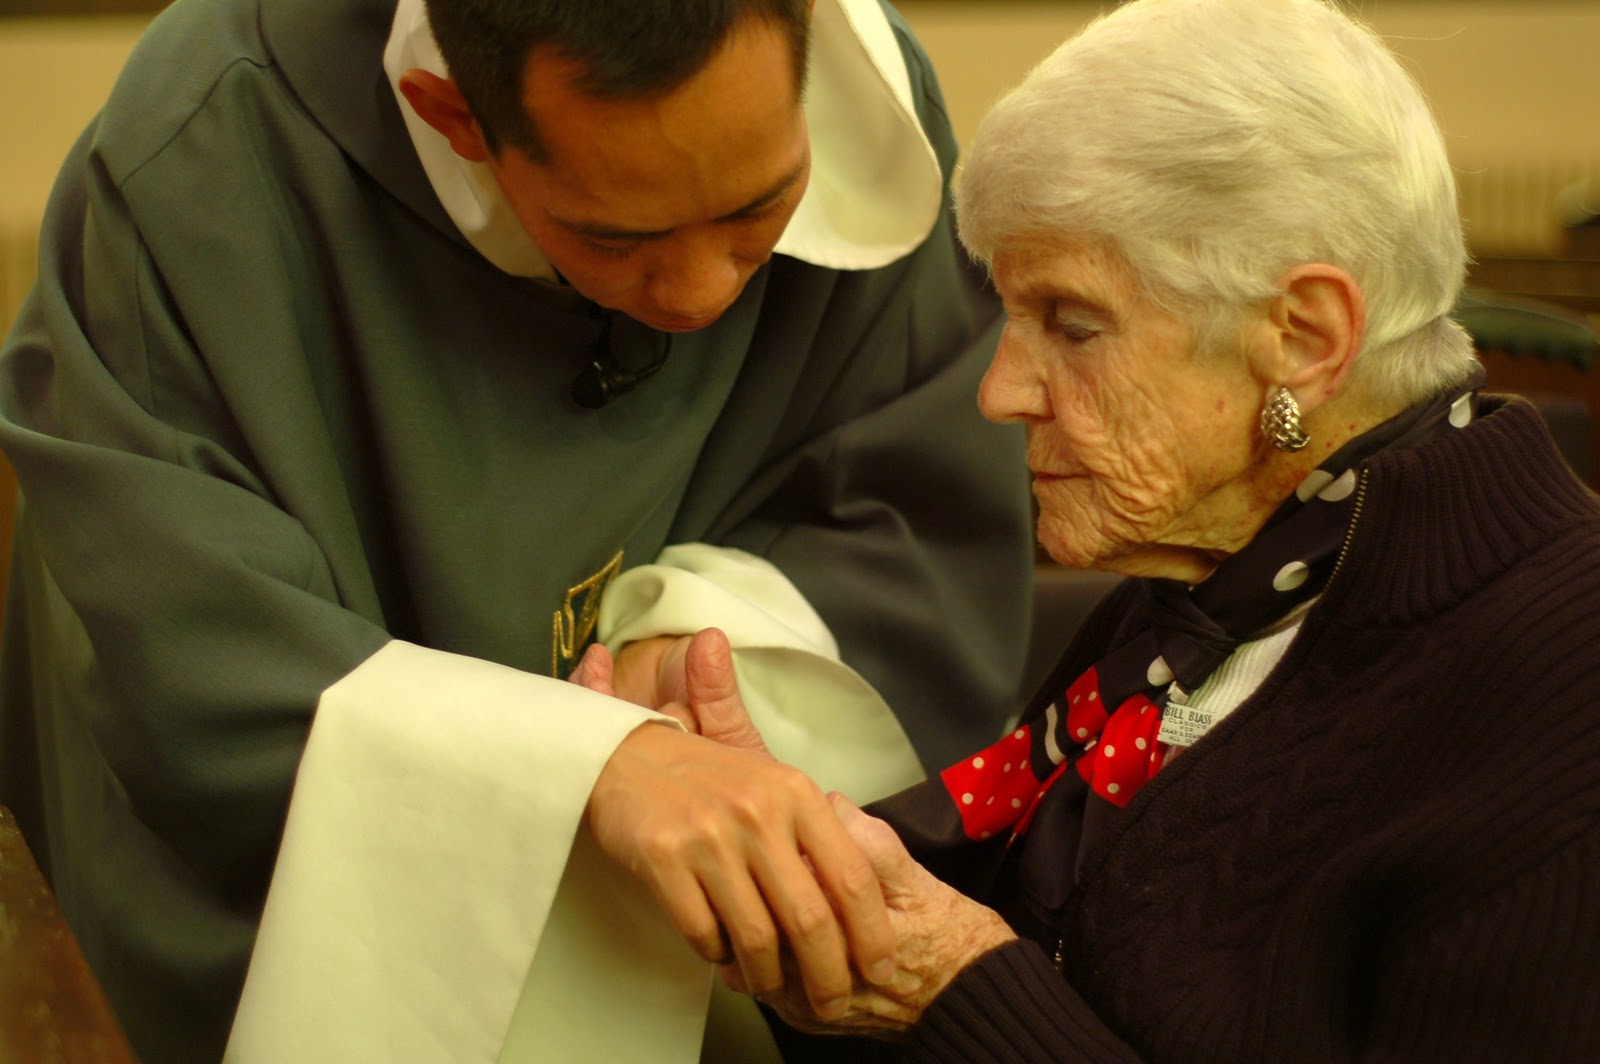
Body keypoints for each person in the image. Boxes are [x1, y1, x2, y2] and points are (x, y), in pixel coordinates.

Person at [0, 0, 1034, 1060]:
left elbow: (913, 501)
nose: (698, 296)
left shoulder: (855, 82)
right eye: (615, 237)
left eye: (761, 207)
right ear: (448, 113)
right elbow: (181, 629)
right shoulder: (203, 149)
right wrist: (586, 769)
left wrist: (708, 639)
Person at [633, 0, 1600, 1059]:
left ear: (1301, 338)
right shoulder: (1206, 599)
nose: (999, 392)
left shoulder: (1561, 699)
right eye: (1009, 316)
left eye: (1073, 324)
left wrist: (949, 984)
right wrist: (804, 889)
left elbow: (987, 993)